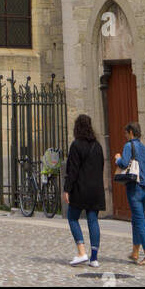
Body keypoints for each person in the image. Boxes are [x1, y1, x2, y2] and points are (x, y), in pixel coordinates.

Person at [62, 113, 106, 268]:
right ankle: (94, 258)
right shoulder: (98, 146)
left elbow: (72, 170)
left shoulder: (76, 145)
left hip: (81, 188)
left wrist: (67, 189)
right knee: (93, 220)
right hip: (96, 189)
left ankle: (81, 251)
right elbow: (102, 166)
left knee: (72, 217)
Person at [114, 122, 145, 265]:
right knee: (136, 219)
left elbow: (124, 163)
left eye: (126, 133)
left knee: (140, 221)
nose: (125, 136)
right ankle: (135, 251)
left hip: (135, 189)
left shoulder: (128, 146)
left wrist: (117, 158)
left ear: (131, 132)